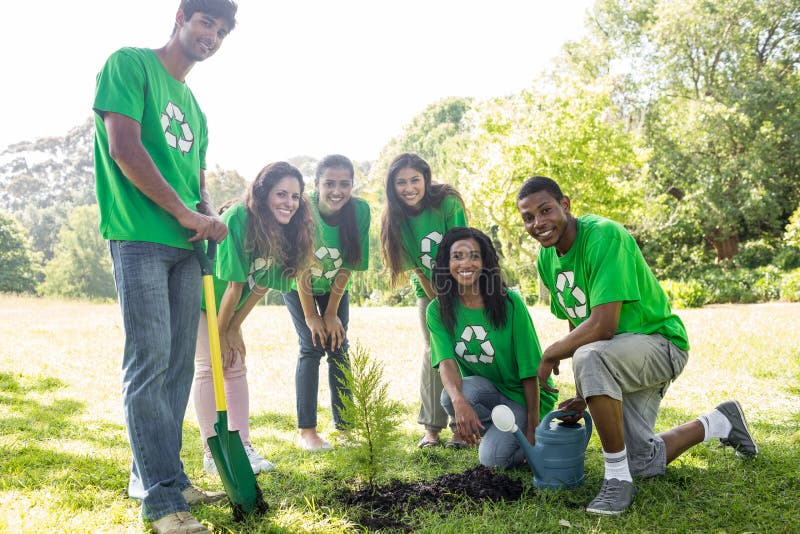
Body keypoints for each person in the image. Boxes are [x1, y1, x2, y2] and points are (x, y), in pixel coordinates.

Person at [516, 176, 758, 515]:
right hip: (616, 356)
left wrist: (550, 354)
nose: (538, 223)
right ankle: (720, 422)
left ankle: (616, 479)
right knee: (643, 462)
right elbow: (579, 321)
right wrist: (586, 393)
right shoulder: (547, 259)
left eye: (545, 210)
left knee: (590, 355)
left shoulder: (603, 236)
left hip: (659, 344)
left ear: (565, 205)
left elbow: (603, 325)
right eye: (528, 217)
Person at [93, 1, 237, 532]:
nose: (213, 36)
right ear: (181, 17)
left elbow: (195, 183)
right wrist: (179, 211)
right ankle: (160, 501)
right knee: (150, 364)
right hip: (139, 238)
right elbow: (124, 148)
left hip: (186, 246)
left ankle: (165, 477)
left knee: (177, 367)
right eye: (206, 23)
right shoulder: (129, 65)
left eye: (221, 32)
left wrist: (207, 214)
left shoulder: (195, 108)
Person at [194, 162, 315, 472]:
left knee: (234, 364)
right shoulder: (238, 219)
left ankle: (242, 445)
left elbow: (261, 285)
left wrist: (234, 328)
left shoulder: (287, 228)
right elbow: (234, 286)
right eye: (281, 194)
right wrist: (222, 333)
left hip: (231, 305)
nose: (289, 203)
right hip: (205, 298)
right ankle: (213, 452)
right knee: (211, 367)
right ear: (262, 193)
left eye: (295, 196)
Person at [427, 227, 558, 467]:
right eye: (457, 256)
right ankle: (501, 432)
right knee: (451, 395)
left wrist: (532, 424)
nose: (466, 263)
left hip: (521, 398)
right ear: (446, 262)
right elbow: (446, 362)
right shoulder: (437, 310)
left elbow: (530, 369)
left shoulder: (509, 303)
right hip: (487, 393)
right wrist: (459, 403)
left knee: (493, 461)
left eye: (474, 256)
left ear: (485, 262)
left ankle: (537, 435)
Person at [281, 155, 371, 451]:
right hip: (298, 282)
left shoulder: (359, 211)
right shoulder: (303, 209)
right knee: (311, 345)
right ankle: (308, 432)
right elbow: (299, 265)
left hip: (334, 284)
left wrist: (331, 313)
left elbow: (349, 263)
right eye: (329, 183)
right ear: (317, 184)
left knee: (338, 344)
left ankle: (345, 429)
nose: (337, 191)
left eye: (344, 184)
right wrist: (312, 317)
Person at [380, 153, 467, 448]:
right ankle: (432, 427)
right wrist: (438, 302)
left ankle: (461, 426)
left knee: (462, 348)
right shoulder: (395, 216)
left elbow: (463, 248)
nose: (409, 188)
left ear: (426, 180)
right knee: (434, 350)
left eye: (415, 180)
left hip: (464, 285)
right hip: (428, 290)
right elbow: (417, 267)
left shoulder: (447, 203)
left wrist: (455, 298)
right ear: (392, 185)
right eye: (401, 182)